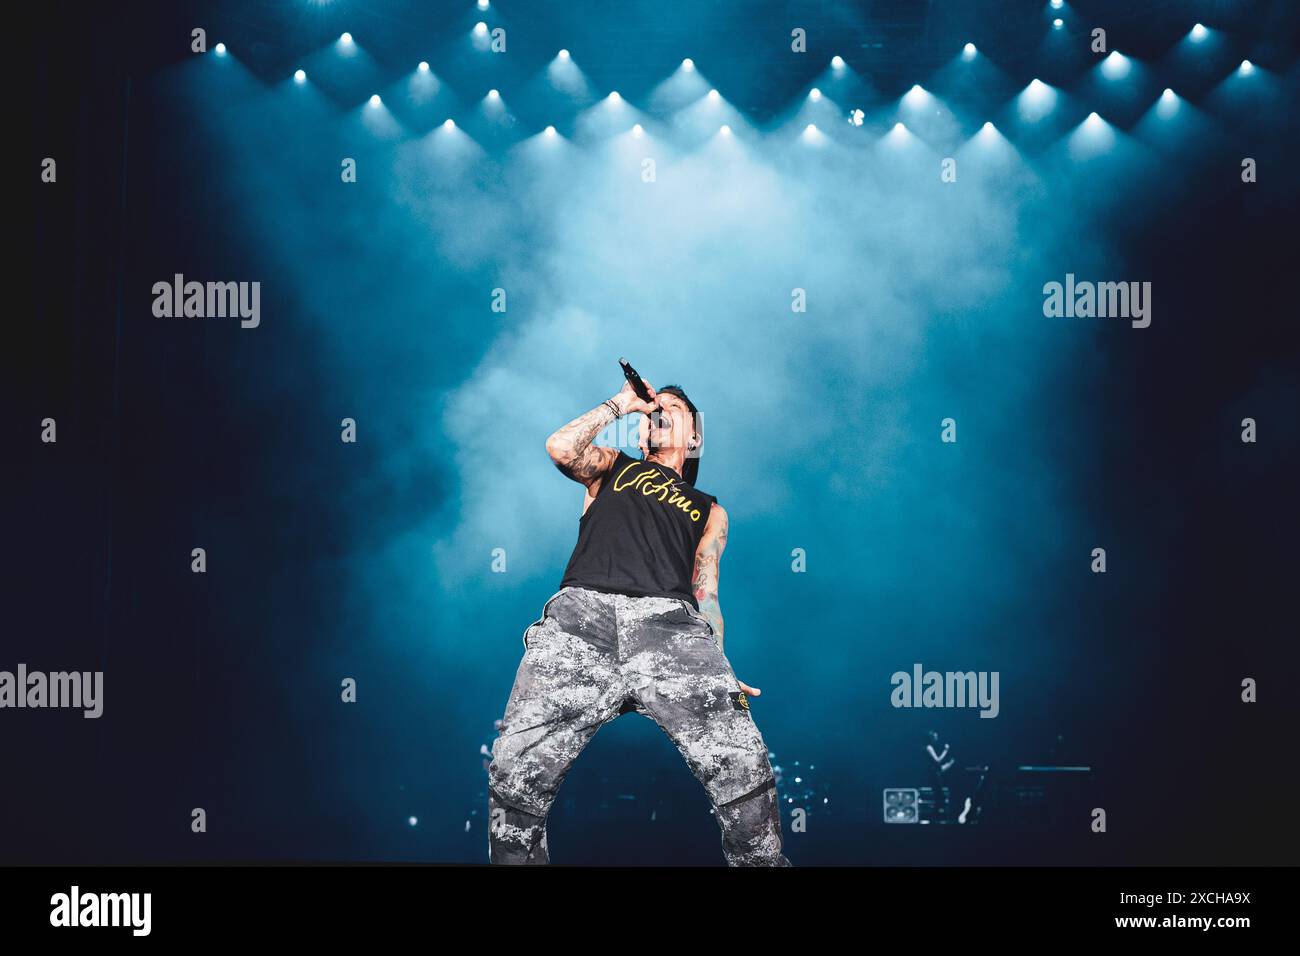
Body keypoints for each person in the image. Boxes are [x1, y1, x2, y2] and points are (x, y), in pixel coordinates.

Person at [486, 374, 790, 865]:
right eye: (656, 407)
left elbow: (706, 591)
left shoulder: (709, 509)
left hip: (669, 627)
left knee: (743, 764)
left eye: (674, 407)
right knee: (515, 772)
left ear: (695, 437)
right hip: (582, 621)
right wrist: (622, 404)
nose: (660, 410)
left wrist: (718, 660)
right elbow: (561, 447)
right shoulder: (613, 466)